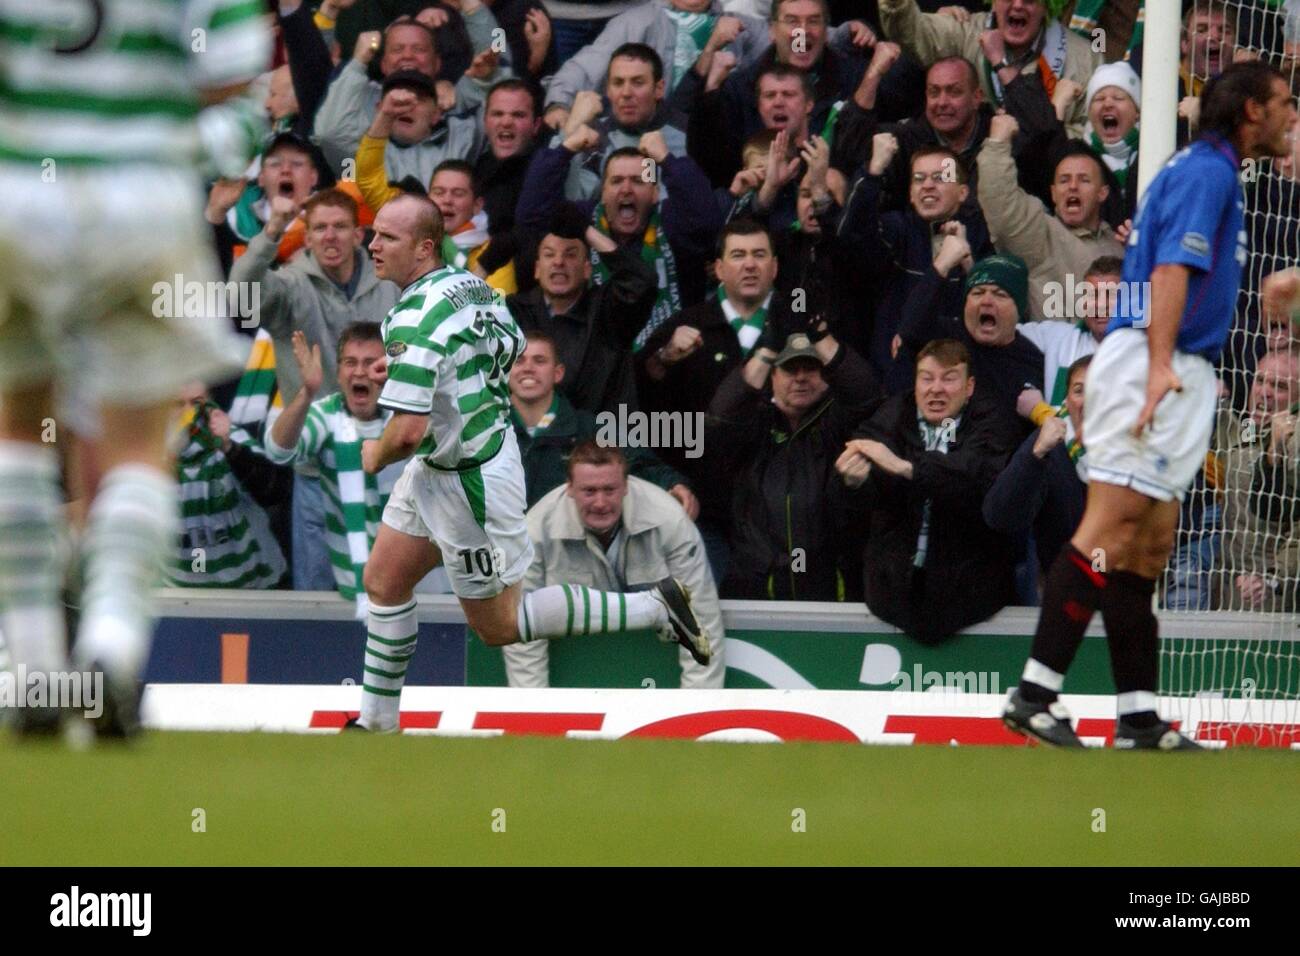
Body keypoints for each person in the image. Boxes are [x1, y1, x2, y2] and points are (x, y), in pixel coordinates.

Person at [1003, 62, 1297, 750]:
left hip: (1172, 363)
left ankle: (1137, 714)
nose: (1292, 114)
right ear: (1252, 111)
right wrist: (1162, 363)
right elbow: (1170, 268)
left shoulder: (1210, 170)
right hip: (1151, 362)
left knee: (1149, 546)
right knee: (1108, 531)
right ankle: (1035, 693)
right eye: (1284, 102)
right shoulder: (1210, 173)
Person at [0, 0, 271, 737]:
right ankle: (112, 655)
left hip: (18, 191)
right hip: (141, 202)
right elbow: (241, 90)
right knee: (134, 447)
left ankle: (32, 668)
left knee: (18, 432)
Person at [352, 193, 710, 732]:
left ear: (424, 248)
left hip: (467, 482)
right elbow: (504, 346)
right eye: (374, 234)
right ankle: (376, 725)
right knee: (383, 581)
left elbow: (404, 434)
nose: (372, 245)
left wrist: (372, 454)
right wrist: (412, 372)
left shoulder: (412, 317)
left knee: (500, 625)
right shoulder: (472, 287)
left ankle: (656, 606)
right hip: (444, 466)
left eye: (387, 238)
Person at [229, 187, 399, 592]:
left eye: (340, 227)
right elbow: (238, 296)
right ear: (305, 238)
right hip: (318, 472)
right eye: (318, 228)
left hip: (390, 465)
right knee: (320, 599)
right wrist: (272, 230)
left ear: (359, 234)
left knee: (391, 591)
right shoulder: (289, 287)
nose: (329, 236)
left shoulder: (391, 283)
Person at [839, 338, 1020, 642]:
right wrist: (853, 481)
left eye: (949, 379)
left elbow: (976, 477)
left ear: (970, 386)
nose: (936, 388)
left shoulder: (993, 419)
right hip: (891, 601)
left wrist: (906, 467)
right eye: (927, 378)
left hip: (972, 604)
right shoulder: (893, 414)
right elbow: (855, 495)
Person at [504, 442, 725, 688]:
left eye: (609, 490)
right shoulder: (535, 530)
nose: (600, 502)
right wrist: (532, 714)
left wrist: (694, 714)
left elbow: (701, 623)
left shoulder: (670, 519)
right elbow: (523, 630)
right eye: (589, 491)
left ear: (626, 487)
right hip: (575, 670)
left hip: (655, 669)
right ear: (569, 489)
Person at [709, 326, 881, 600]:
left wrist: (822, 335)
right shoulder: (754, 419)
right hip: (755, 587)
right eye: (791, 369)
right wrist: (765, 348)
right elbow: (720, 418)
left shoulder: (840, 418)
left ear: (825, 373)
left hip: (831, 589)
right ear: (773, 375)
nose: (801, 378)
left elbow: (867, 393)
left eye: (811, 368)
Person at [264, 326, 415, 616]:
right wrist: (306, 393)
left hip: (418, 587)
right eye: (350, 362)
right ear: (338, 372)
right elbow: (277, 450)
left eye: (371, 362)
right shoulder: (328, 414)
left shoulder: (411, 415)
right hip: (354, 594)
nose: (360, 372)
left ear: (387, 369)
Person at [509, 333, 696, 510]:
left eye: (539, 360)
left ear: (558, 373)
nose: (528, 368)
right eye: (519, 360)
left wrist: (674, 484)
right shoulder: (484, 429)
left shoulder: (592, 428)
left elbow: (643, 465)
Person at [879, 0, 1103, 139]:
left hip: (1050, 184)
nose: (1017, 4)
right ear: (994, 2)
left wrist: (1035, 135)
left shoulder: (1085, 57)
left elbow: (1096, 134)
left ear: (1046, 6)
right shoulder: (965, 31)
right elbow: (914, 32)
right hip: (969, 175)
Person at [508, 207, 657, 414]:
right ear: (537, 269)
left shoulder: (609, 310)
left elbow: (642, 281)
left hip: (601, 440)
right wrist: (486, 262)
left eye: (570, 255)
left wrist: (587, 231)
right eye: (549, 255)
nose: (559, 262)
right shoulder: (513, 312)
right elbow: (459, 314)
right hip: (531, 441)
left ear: (587, 269)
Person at [976, 112, 1125, 320]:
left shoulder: (1119, 243)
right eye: (1064, 180)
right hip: (1059, 352)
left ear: (1102, 193)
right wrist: (997, 145)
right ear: (1053, 193)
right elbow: (1000, 201)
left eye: (1084, 180)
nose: (1072, 186)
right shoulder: (1041, 236)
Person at [895, 250, 1045, 421]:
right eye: (977, 292)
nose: (986, 301)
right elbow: (910, 331)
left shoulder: (1032, 361)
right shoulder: (941, 336)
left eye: (1000, 294)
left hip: (990, 444)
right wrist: (943, 262)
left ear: (1018, 309)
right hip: (925, 439)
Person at [983, 354, 1089, 581]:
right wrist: (1036, 454)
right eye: (1079, 391)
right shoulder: (1048, 445)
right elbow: (1000, 517)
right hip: (1063, 589)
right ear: (1067, 400)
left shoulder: (1134, 447)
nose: (1089, 400)